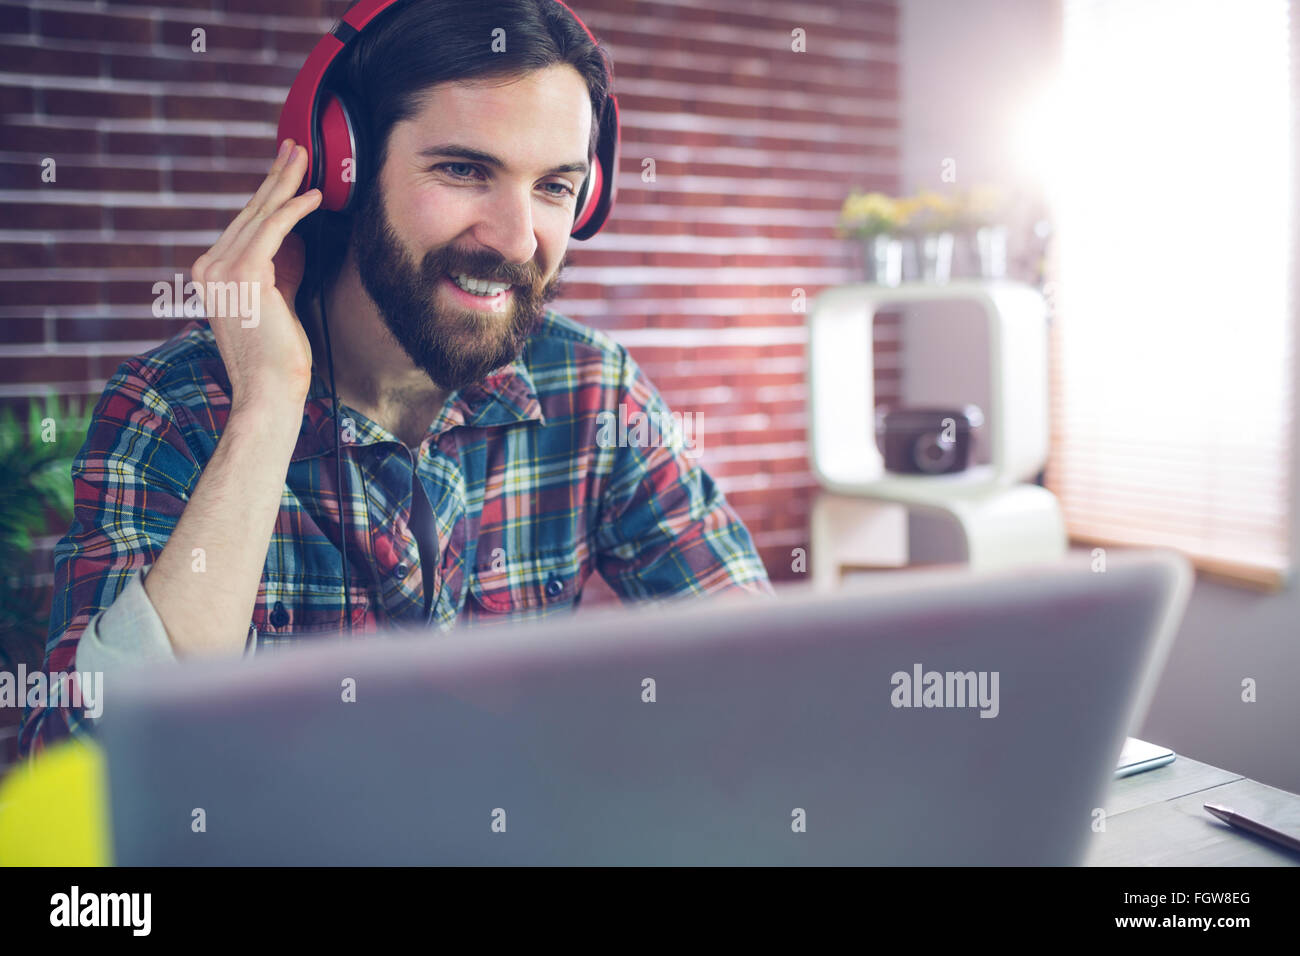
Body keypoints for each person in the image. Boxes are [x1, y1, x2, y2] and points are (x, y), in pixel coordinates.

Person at [18, 0, 771, 758]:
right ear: (342, 165)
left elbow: (768, 679)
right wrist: (269, 406)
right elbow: (88, 781)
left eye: (553, 188)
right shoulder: (175, 411)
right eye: (463, 169)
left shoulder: (591, 389)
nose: (515, 240)